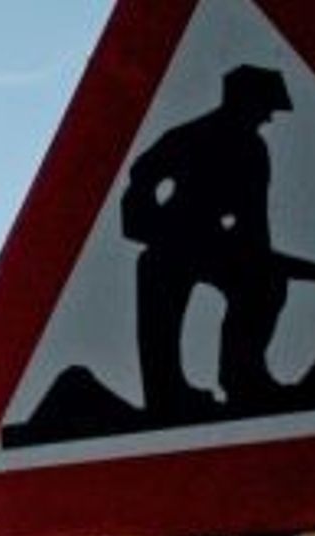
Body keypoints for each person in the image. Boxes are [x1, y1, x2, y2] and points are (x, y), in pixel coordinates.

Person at [120, 64, 293, 417]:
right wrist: (149, 223)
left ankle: (243, 376)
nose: (269, 118)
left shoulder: (254, 150)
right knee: (161, 310)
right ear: (245, 102)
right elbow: (141, 173)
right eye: (265, 108)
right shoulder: (189, 136)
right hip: (169, 246)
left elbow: (254, 215)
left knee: (265, 285)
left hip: (216, 242)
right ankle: (166, 395)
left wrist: (259, 256)